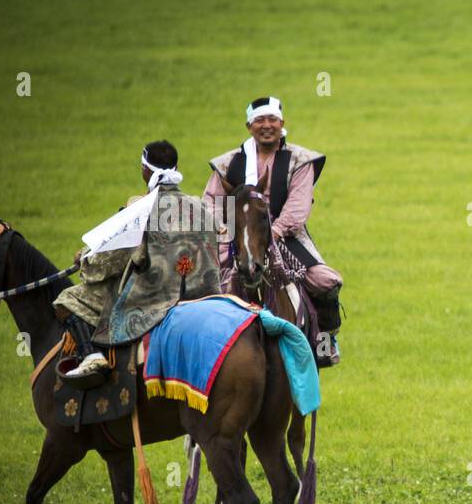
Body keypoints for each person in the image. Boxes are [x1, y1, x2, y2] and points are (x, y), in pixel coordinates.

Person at [55, 141, 218, 379]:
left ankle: (93, 356)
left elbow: (111, 261)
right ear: (177, 167)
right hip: (206, 294)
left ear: (145, 170)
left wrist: (86, 261)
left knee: (66, 298)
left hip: (154, 300)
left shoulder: (139, 210)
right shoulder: (202, 208)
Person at [204, 96, 343, 349]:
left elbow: (298, 208)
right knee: (203, 283)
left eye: (272, 119)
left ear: (282, 123)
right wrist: (224, 230)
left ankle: (325, 341)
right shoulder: (228, 163)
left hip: (285, 237)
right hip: (237, 236)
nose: (266, 125)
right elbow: (212, 202)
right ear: (249, 126)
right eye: (259, 120)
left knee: (325, 281)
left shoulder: (300, 160)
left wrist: (274, 233)